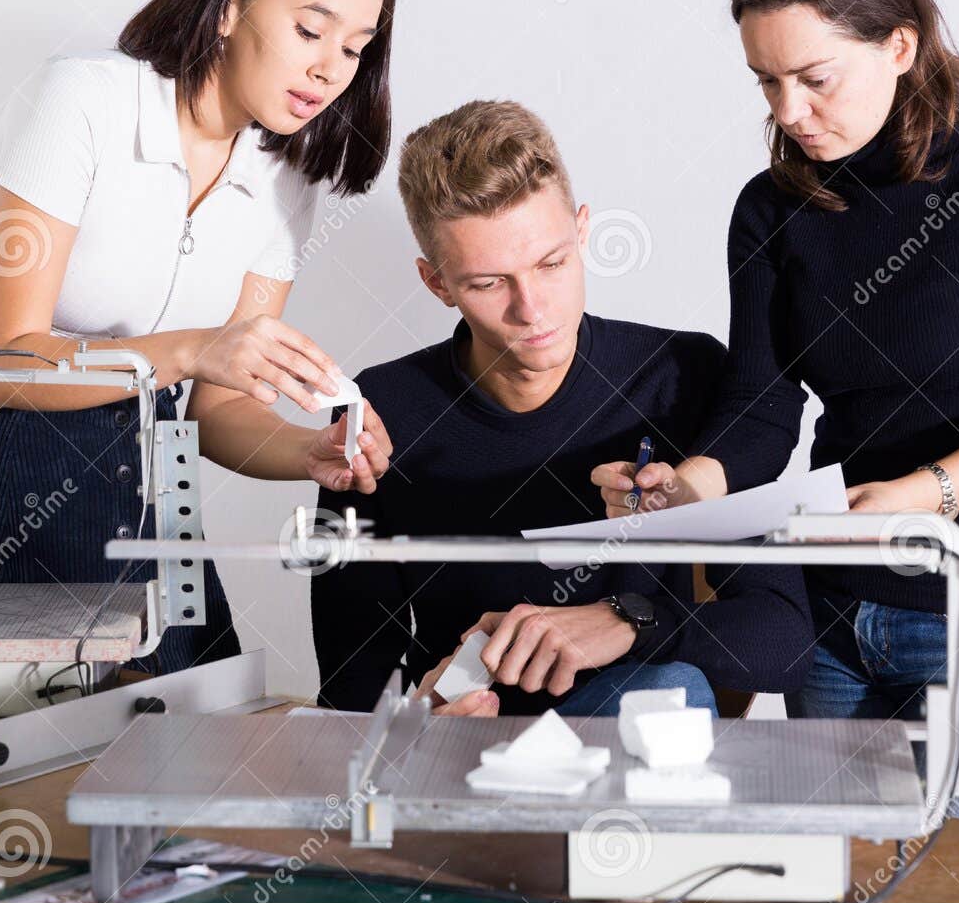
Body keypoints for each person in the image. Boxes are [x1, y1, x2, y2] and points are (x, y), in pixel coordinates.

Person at [594, 0, 959, 827]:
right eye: (766, 82)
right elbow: (759, 401)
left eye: (815, 78)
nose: (789, 112)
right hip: (834, 612)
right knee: (835, 884)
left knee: (944, 900)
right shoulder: (772, 209)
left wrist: (920, 494)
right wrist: (687, 483)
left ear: (900, 44)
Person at [0, 0, 399, 674]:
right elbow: (2, 363)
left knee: (174, 747)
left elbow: (216, 407)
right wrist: (192, 352)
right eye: (310, 29)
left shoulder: (287, 180)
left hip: (147, 492)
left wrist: (307, 449)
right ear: (228, 7)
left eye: (355, 48)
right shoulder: (86, 99)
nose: (329, 69)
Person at [312, 100, 812, 717]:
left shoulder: (684, 377)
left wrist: (627, 622)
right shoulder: (383, 411)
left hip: (632, 739)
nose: (532, 309)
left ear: (582, 231)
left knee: (665, 691)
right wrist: (417, 718)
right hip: (460, 758)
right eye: (488, 283)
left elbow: (786, 639)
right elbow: (349, 676)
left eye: (551, 264)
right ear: (436, 282)